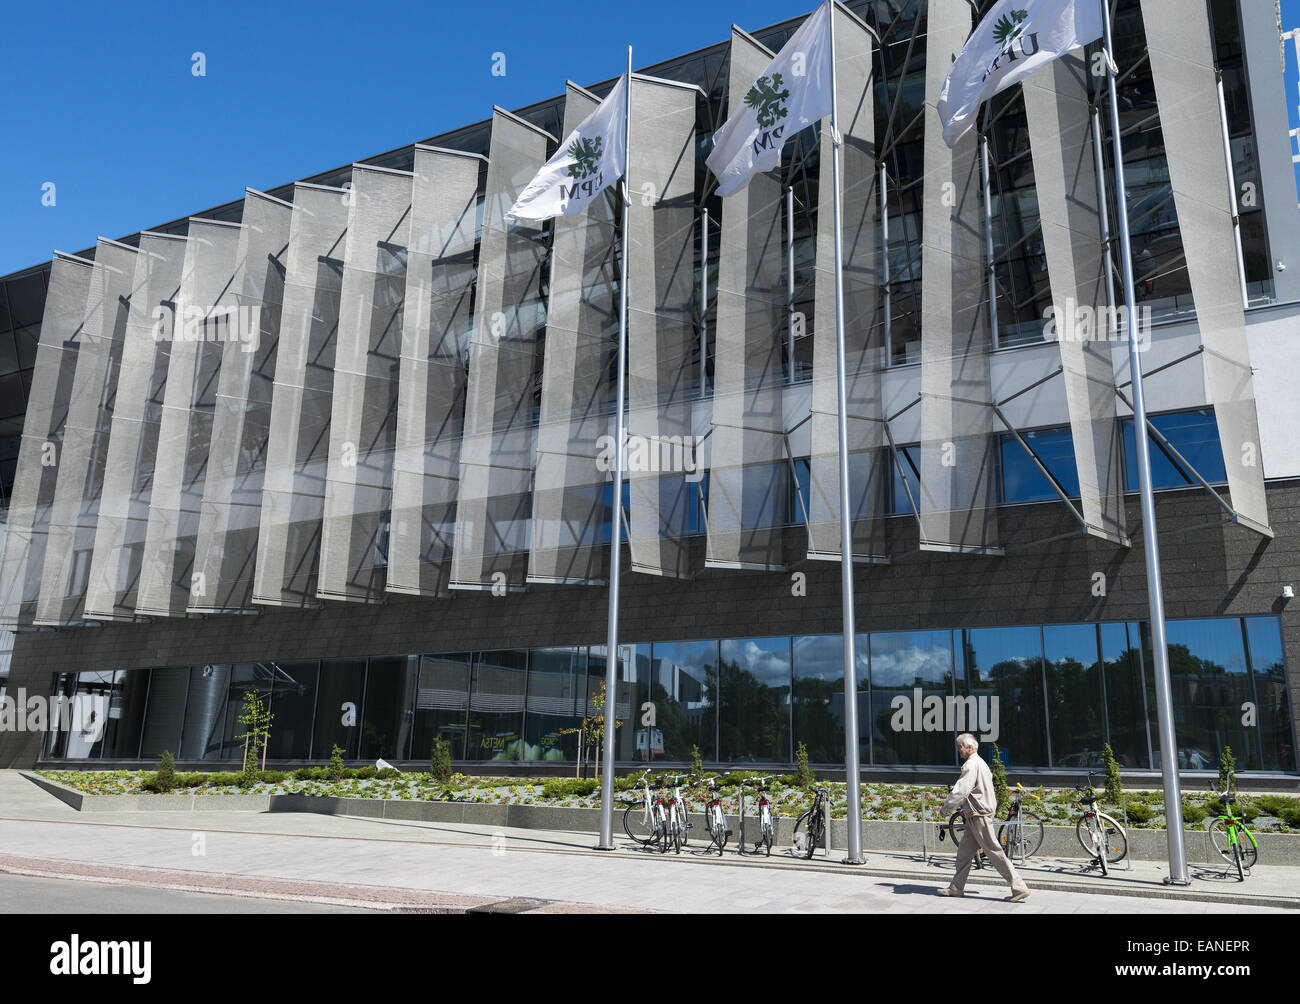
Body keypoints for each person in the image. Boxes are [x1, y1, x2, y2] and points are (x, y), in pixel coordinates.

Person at [936, 733, 1030, 903]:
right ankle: (956, 888)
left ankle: (1019, 887)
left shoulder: (970, 765)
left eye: (960, 747)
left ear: (970, 747)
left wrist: (946, 808)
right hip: (977, 815)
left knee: (994, 851)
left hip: (979, 815)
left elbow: (961, 790)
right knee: (964, 853)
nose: (959, 751)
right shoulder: (981, 763)